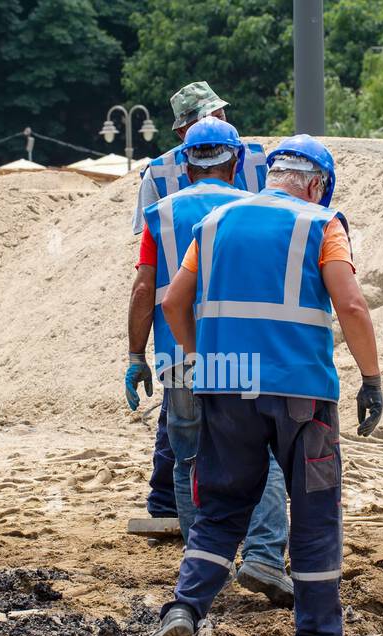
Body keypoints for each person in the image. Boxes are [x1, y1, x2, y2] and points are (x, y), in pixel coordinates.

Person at [143, 135, 383, 636]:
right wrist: (372, 379)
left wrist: (199, 354)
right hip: (302, 394)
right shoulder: (323, 225)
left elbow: (174, 301)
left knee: (223, 507)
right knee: (316, 508)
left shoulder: (215, 223)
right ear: (317, 184)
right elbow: (352, 304)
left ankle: (185, 609)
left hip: (225, 386)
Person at [127, 117, 294, 606]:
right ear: (236, 160)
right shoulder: (253, 208)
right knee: (260, 455)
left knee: (188, 457)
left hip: (179, 357)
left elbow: (143, 288)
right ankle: (263, 556)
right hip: (236, 352)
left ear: (184, 162)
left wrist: (136, 355)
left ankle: (200, 563)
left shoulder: (161, 213)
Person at [126, 81, 269, 528]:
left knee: (182, 428)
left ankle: (191, 533)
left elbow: (147, 275)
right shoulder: (258, 163)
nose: (216, 121)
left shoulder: (161, 187)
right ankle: (244, 537)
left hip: (180, 336)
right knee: (251, 437)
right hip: (241, 332)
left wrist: (137, 353)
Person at [130, 81, 268, 234]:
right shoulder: (158, 174)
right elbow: (146, 238)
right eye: (202, 122)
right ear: (181, 132)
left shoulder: (257, 161)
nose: (214, 126)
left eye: (218, 116)